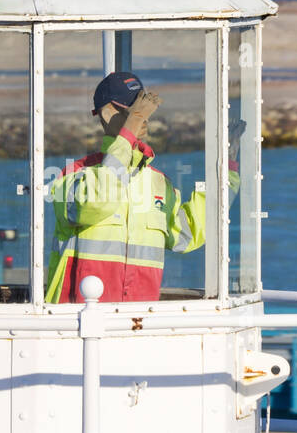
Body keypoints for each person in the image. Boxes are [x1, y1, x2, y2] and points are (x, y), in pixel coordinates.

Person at [45, 71, 216, 304]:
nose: (143, 116)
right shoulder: (74, 175)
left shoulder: (158, 182)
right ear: (107, 113)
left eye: (145, 108)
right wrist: (130, 127)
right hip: (76, 324)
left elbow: (186, 236)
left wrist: (228, 174)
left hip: (135, 325)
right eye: (134, 109)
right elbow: (96, 202)